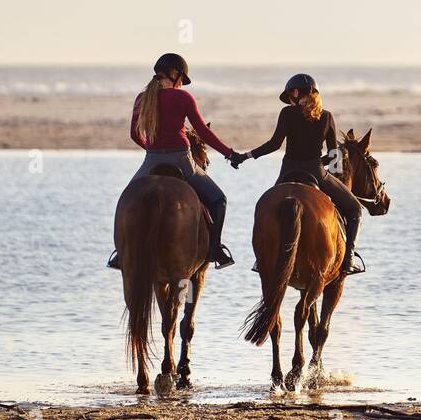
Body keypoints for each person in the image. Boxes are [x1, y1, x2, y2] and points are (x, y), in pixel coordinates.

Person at [107, 53, 237, 270]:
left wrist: (152, 149)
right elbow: (203, 132)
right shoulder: (183, 98)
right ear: (176, 75)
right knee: (218, 200)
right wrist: (230, 153)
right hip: (182, 161)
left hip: (151, 160)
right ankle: (216, 249)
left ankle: (121, 253)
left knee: (126, 201)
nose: (181, 85)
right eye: (181, 81)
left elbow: (133, 134)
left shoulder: (142, 98)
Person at [233, 73, 364, 276]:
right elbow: (333, 154)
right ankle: (348, 259)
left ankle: (261, 260)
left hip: (288, 173)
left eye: (291, 94)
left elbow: (274, 144)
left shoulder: (286, 113)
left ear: (296, 92)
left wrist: (246, 156)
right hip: (317, 174)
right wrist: (321, 162)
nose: (290, 99)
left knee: (265, 207)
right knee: (355, 209)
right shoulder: (327, 116)